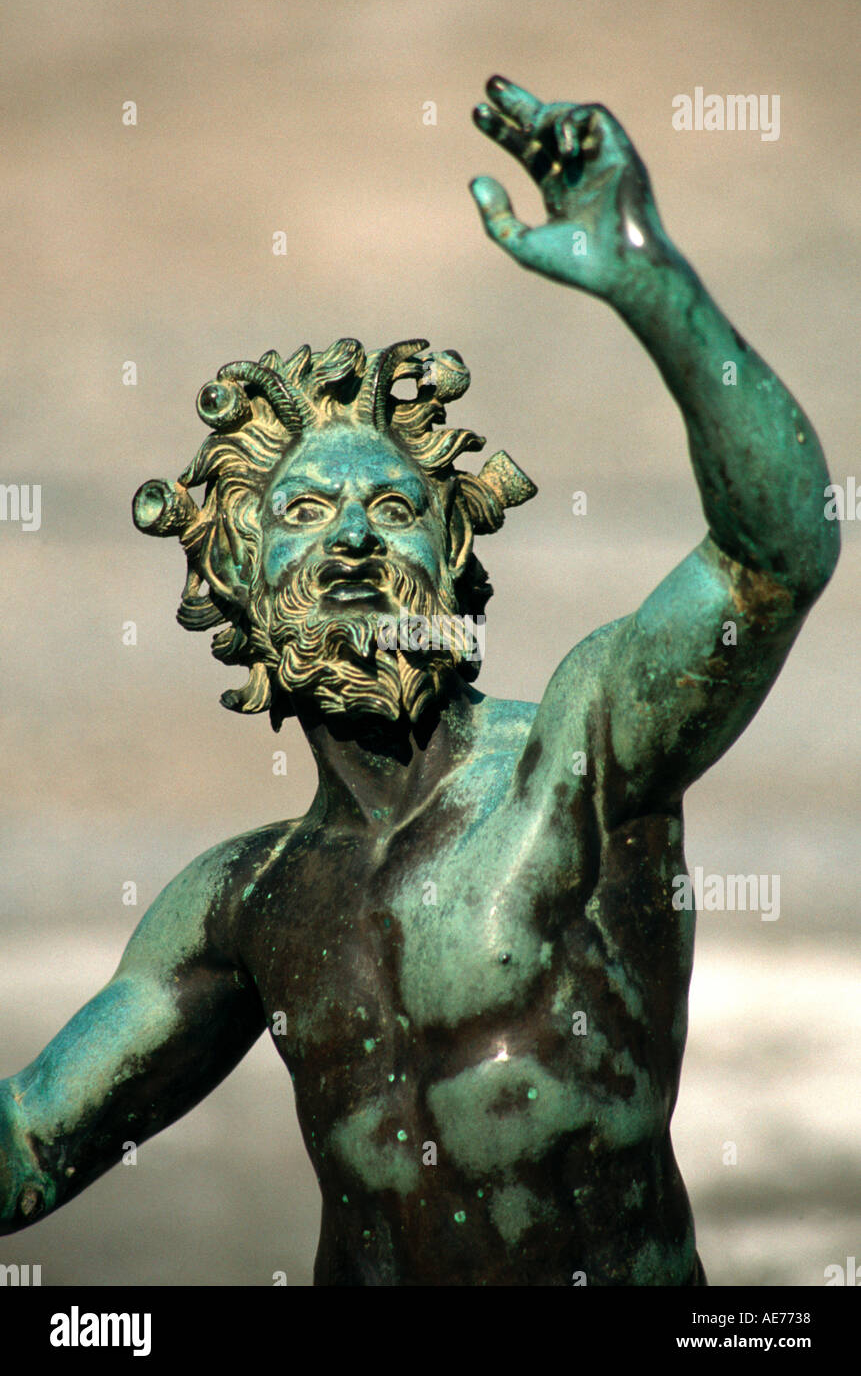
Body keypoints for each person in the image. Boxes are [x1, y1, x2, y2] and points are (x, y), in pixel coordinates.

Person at [0, 76, 839, 1285]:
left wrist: (657, 286)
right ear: (238, 574)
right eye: (304, 512)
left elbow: (779, 552)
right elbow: (31, 1141)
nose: (350, 539)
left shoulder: (580, 751)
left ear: (448, 553)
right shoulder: (240, 905)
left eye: (393, 508)